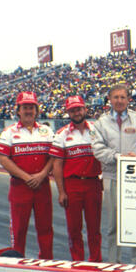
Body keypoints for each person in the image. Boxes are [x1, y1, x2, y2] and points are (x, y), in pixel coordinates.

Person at [90, 83, 136, 263]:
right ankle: (114, 264)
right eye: (116, 97)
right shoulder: (101, 123)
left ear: (128, 99)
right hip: (112, 176)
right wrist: (118, 157)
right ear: (110, 100)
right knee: (113, 224)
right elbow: (97, 149)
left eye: (123, 97)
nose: (119, 100)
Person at [0, 91, 55, 259]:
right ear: (18, 110)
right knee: (19, 230)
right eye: (25, 107)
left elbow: (54, 157)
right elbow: (3, 159)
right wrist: (27, 177)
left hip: (42, 185)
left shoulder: (47, 131)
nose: (28, 111)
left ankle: (47, 263)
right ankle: (17, 265)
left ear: (36, 110)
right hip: (20, 187)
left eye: (31, 107)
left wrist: (42, 174)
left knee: (46, 228)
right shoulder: (9, 132)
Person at [51, 95, 103, 261]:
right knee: (74, 229)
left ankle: (96, 261)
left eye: (79, 108)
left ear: (85, 109)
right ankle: (77, 261)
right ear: (68, 112)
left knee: (94, 228)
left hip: (93, 183)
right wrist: (61, 191)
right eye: (73, 110)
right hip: (72, 185)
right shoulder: (61, 134)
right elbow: (57, 165)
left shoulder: (97, 130)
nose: (77, 112)